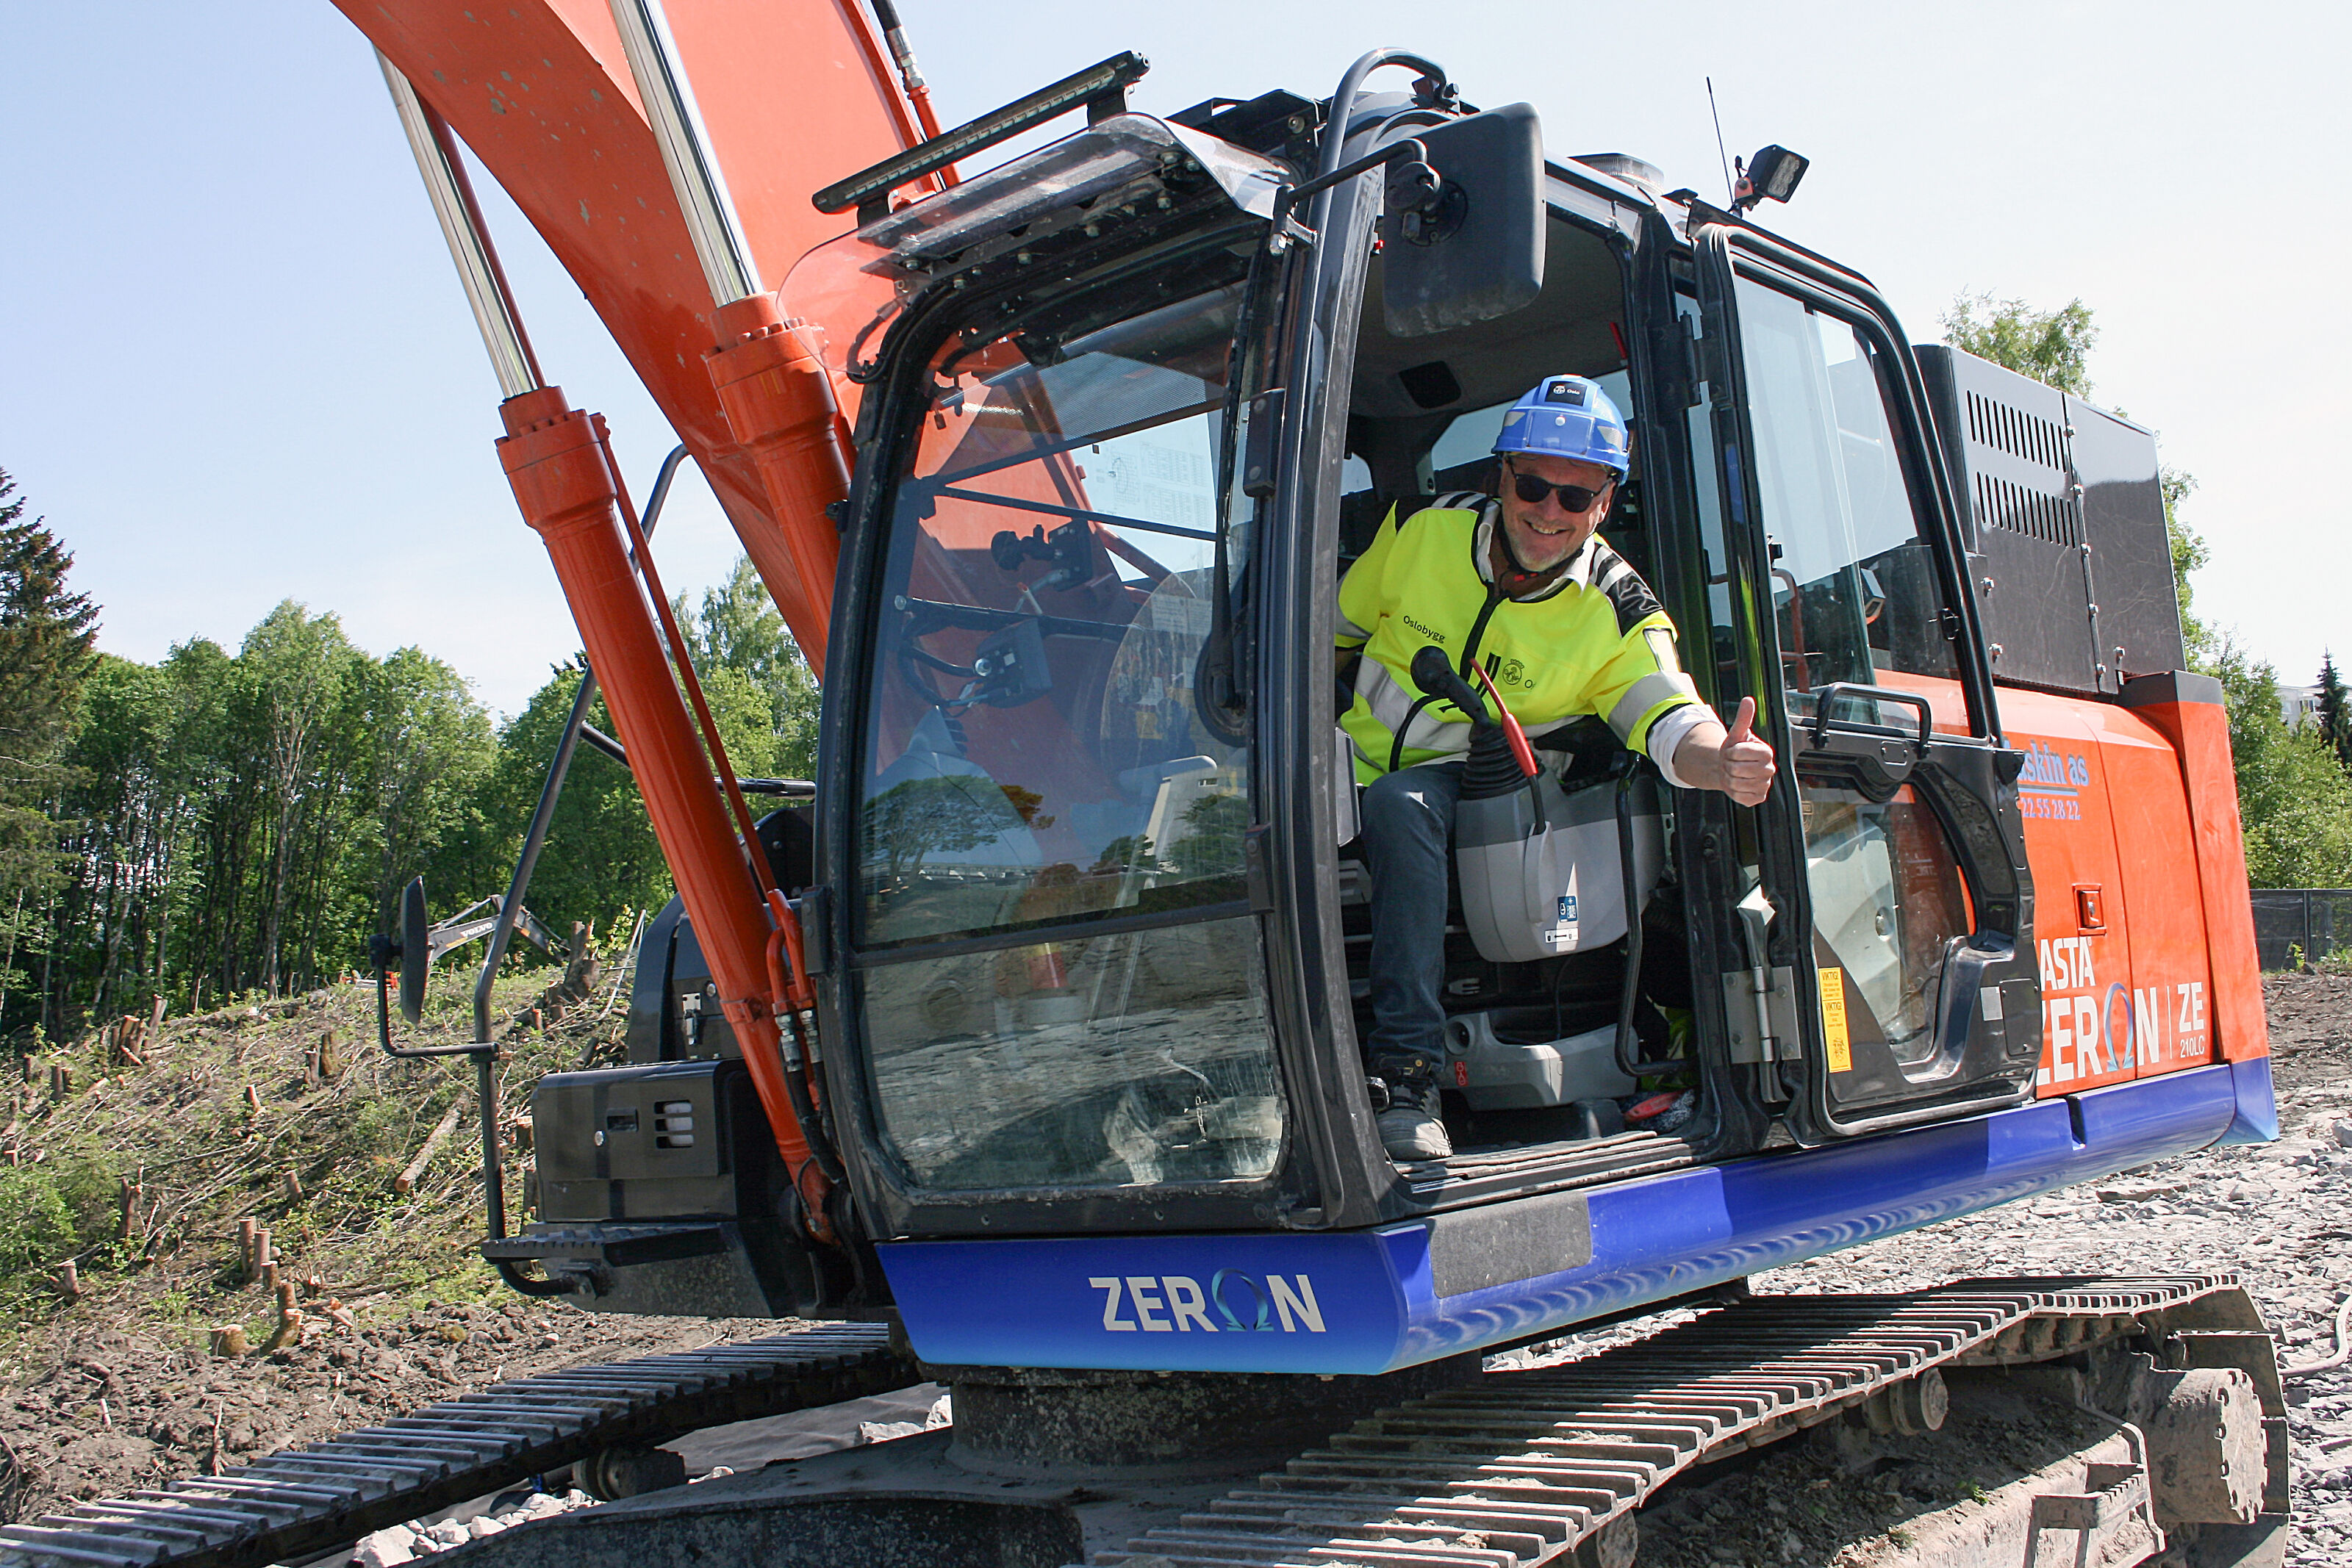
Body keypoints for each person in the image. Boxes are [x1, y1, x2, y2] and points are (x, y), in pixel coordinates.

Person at [1335, 374, 1776, 1161]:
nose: (1548, 510)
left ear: (1603, 504)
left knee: (1402, 806)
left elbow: (1669, 715)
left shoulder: (1615, 607)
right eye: (1532, 485)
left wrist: (1720, 763)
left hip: (1465, 783)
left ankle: (1406, 1075)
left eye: (1574, 498)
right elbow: (1333, 628)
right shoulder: (1424, 534)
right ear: (1499, 475)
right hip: (1341, 764)